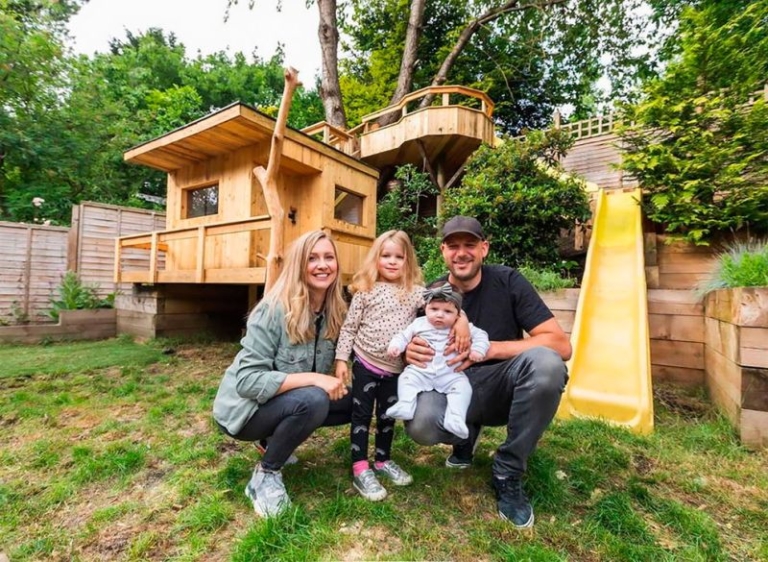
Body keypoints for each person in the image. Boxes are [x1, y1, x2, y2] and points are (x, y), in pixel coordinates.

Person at [404, 216, 571, 529]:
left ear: (484, 249)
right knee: (420, 425)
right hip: (454, 387)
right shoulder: (433, 294)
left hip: (503, 386)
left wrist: (490, 350)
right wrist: (406, 352)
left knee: (548, 366)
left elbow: (561, 345)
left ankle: (508, 470)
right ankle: (465, 434)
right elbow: (408, 342)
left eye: (470, 245)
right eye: (453, 246)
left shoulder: (508, 281)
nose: (461, 253)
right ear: (443, 250)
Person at [213, 230, 351, 518]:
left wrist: (341, 361)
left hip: (283, 402)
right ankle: (265, 476)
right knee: (314, 399)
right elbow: (248, 381)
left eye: (329, 257)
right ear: (298, 265)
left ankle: (270, 444)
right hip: (244, 413)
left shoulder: (333, 310)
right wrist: (316, 378)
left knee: (358, 397)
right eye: (312, 258)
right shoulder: (273, 310)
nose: (322, 265)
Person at [334, 230, 471, 501]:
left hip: (396, 369)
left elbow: (446, 304)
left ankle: (383, 461)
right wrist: (341, 359)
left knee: (388, 416)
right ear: (376, 258)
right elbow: (349, 328)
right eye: (386, 255)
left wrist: (463, 318)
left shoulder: (417, 293)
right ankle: (360, 466)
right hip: (365, 362)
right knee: (361, 415)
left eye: (399, 256)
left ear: (408, 261)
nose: (392, 261)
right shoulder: (365, 291)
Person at [386, 282, 489, 440]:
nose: (439, 315)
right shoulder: (419, 324)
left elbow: (481, 335)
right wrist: (396, 346)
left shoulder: (463, 327)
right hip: (422, 371)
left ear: (458, 314)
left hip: (450, 374)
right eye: (434, 309)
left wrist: (478, 350)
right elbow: (403, 336)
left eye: (447, 311)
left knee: (463, 388)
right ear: (426, 307)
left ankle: (455, 418)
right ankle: (405, 404)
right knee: (406, 378)